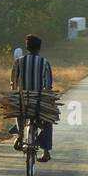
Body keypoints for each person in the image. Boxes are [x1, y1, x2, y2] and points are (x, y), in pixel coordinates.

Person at [10, 34, 54, 162]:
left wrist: (16, 91)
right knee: (48, 119)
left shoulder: (19, 61)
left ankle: (19, 134)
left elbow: (13, 82)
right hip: (39, 102)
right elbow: (48, 85)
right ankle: (46, 151)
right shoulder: (45, 62)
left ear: (27, 47)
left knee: (18, 109)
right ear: (39, 48)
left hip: (23, 100)